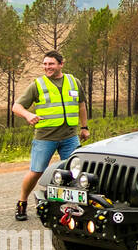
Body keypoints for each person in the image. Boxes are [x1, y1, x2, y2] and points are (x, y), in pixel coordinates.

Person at [11, 50, 89, 221]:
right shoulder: (37, 85)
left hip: (70, 136)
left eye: (51, 64)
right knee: (36, 172)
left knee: (75, 172)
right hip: (45, 137)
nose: (47, 67)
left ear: (61, 64)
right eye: (45, 64)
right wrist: (28, 115)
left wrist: (84, 127)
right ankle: (22, 202)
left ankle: (72, 207)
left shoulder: (73, 82)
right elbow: (16, 107)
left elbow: (81, 105)